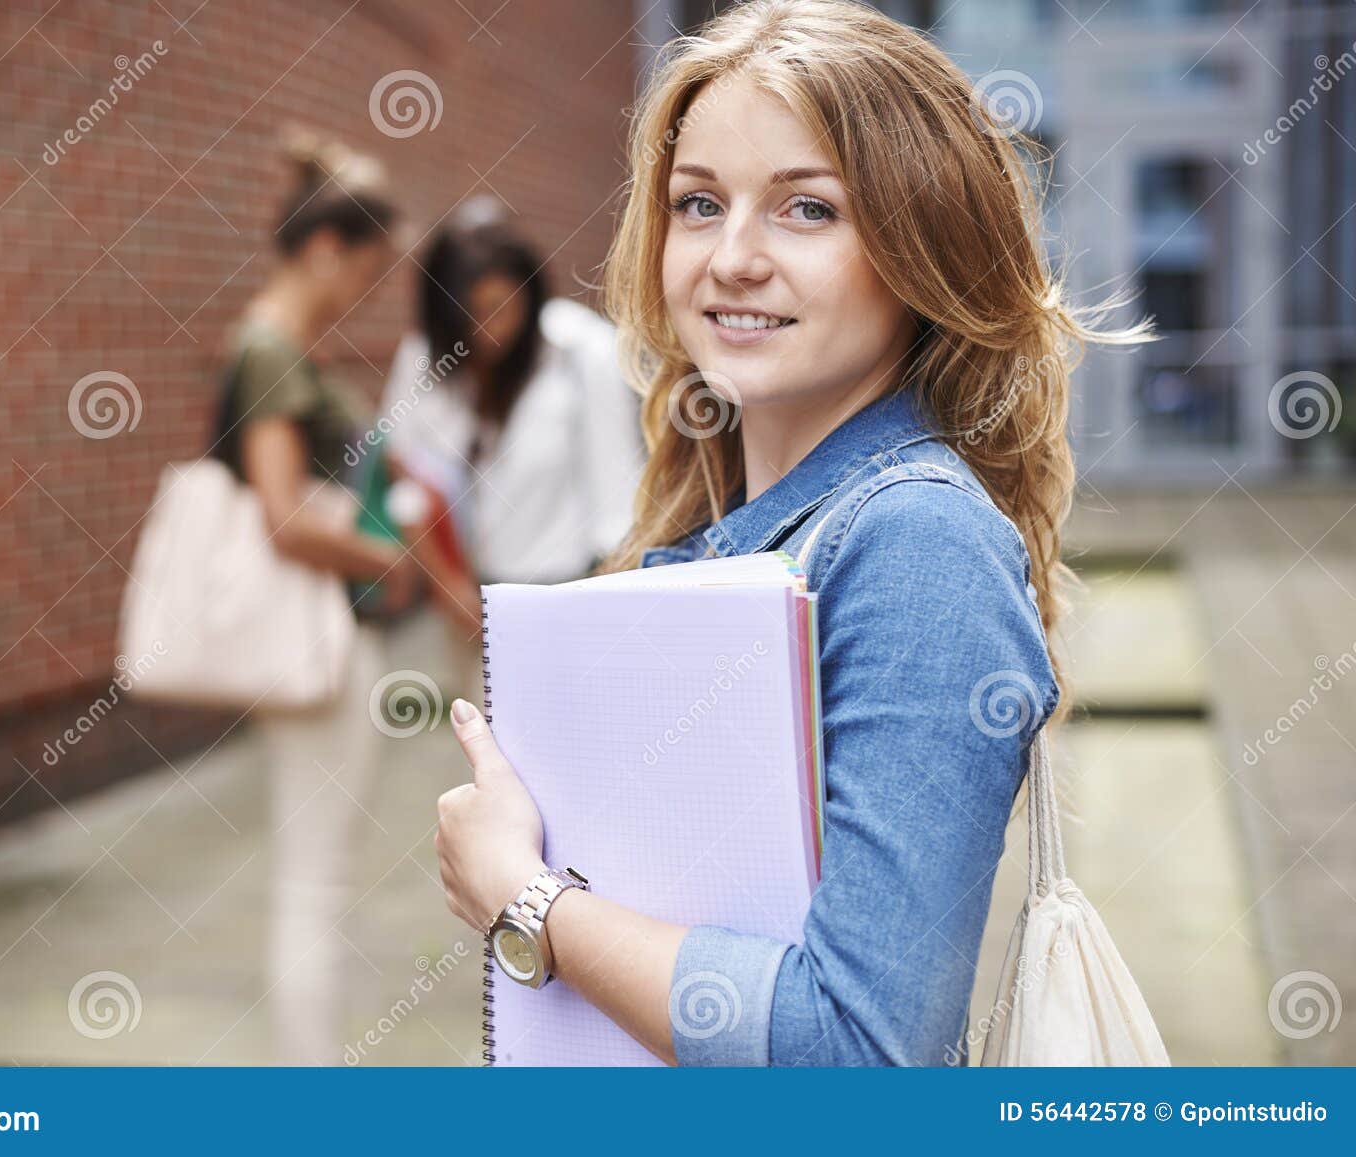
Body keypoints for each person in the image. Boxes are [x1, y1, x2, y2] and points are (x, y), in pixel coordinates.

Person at [433, 0, 1151, 1066]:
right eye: (698, 203)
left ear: (919, 247)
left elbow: (856, 1052)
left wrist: (528, 897)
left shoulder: (918, 546)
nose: (732, 257)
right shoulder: (713, 522)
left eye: (805, 210)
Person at [212, 130, 422, 1064]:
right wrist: (383, 552)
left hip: (328, 645)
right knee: (314, 881)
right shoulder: (268, 350)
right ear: (327, 248)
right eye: (366, 273)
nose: (364, 296)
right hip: (315, 647)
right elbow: (284, 518)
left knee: (320, 875)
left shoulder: (279, 346)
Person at [379, 212, 645, 605]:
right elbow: (405, 468)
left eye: (500, 309)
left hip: (566, 591)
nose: (488, 331)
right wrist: (448, 585)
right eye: (471, 314)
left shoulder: (580, 350)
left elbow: (618, 494)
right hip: (463, 593)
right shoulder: (425, 359)